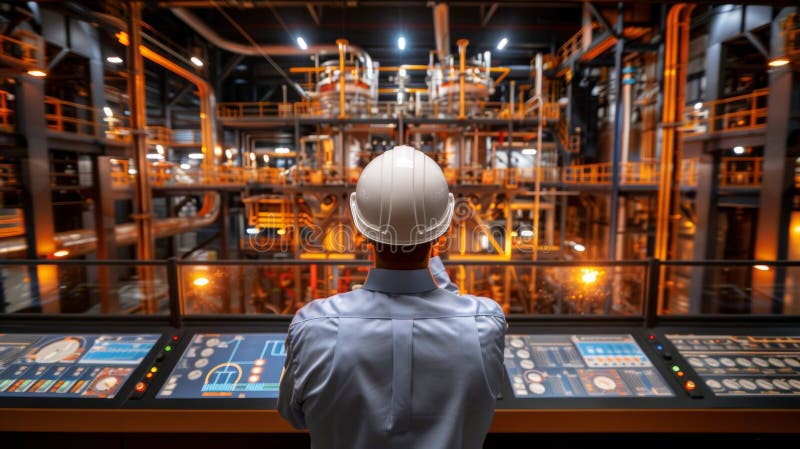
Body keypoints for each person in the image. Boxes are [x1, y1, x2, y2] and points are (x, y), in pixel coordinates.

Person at [278, 146, 507, 449]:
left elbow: (293, 415)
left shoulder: (312, 327)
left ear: (361, 232)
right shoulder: (485, 324)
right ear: (442, 233)